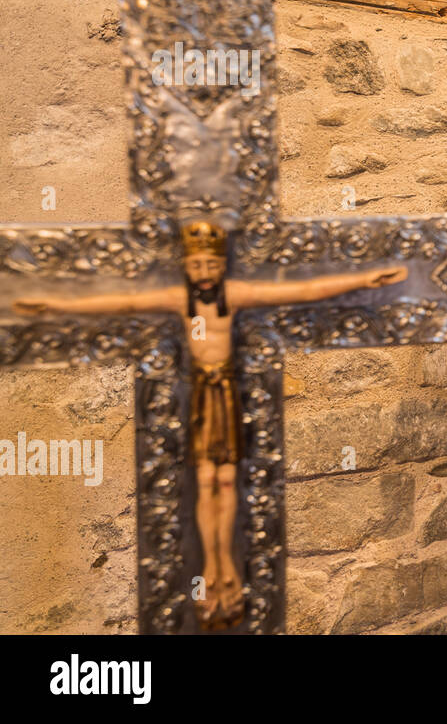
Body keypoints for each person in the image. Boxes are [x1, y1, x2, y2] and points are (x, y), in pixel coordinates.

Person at [13, 220, 406, 630]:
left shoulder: (232, 295)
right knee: (204, 483)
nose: (204, 272)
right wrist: (55, 306)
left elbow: (300, 291)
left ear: (222, 265)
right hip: (199, 399)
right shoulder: (177, 297)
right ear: (187, 265)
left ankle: (229, 572)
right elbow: (123, 302)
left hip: (227, 397)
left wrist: (366, 277)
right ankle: (213, 569)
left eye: (211, 264)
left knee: (225, 481)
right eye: (197, 264)